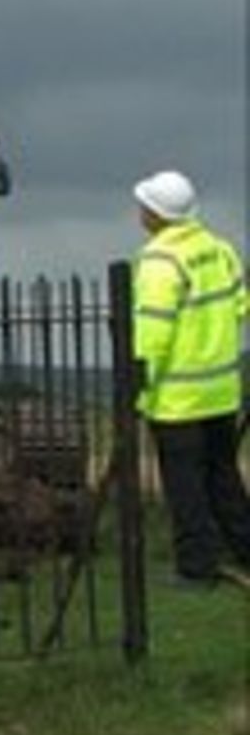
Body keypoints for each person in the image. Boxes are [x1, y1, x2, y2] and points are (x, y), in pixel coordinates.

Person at [131, 169, 250, 588]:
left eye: (143, 205)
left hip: (177, 399)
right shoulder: (220, 250)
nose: (139, 211)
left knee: (185, 488)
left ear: (157, 214)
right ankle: (245, 550)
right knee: (224, 478)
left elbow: (153, 333)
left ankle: (197, 569)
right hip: (221, 393)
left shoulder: (160, 260)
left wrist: (138, 384)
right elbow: (240, 306)